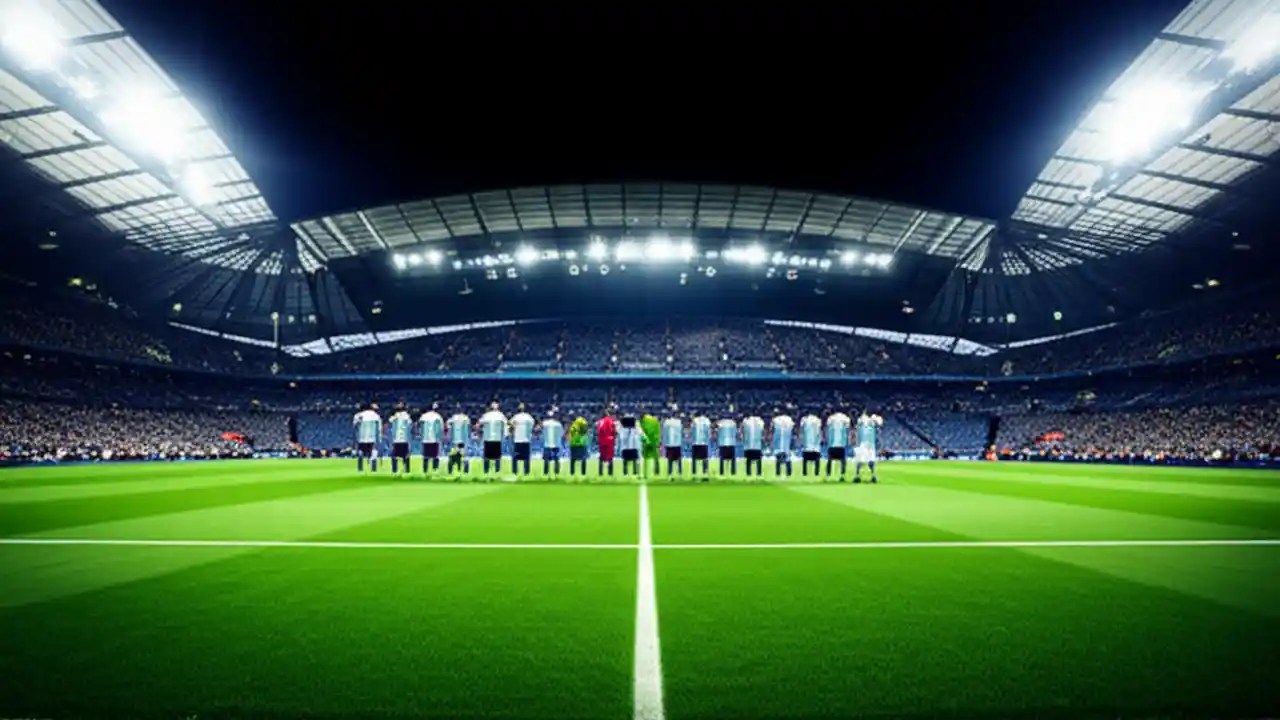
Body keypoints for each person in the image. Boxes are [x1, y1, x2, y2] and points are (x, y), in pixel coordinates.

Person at [479, 402, 508, 475]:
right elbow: (506, 425)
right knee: (497, 457)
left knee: (487, 457)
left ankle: (486, 472)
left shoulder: (486, 415)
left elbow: (480, 423)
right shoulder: (500, 415)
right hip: (497, 439)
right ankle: (497, 472)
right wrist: (505, 435)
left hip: (487, 438)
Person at [854, 412, 883, 483]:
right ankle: (857, 476)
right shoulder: (861, 420)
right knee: (860, 461)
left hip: (870, 443)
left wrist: (874, 419)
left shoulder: (873, 419)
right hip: (863, 443)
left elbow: (880, 423)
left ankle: (873, 476)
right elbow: (858, 426)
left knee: (871, 461)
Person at [353, 403, 381, 472]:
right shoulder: (375, 415)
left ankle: (360, 468)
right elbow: (379, 428)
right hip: (372, 437)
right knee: (373, 451)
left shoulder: (358, 415)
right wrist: (379, 438)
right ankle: (373, 467)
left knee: (361, 451)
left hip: (362, 437)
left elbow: (355, 426)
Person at [388, 403, 413, 474]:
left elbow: (390, 422)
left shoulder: (395, 416)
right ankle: (407, 470)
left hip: (396, 439)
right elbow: (410, 427)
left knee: (394, 456)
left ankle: (394, 470)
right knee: (405, 456)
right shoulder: (407, 416)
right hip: (404, 439)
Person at [419, 403, 444, 473]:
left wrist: (421, 436)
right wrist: (440, 437)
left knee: (426, 457)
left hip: (425, 439)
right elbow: (440, 428)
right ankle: (435, 470)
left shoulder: (423, 416)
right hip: (434, 439)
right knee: (435, 456)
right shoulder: (437, 416)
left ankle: (425, 471)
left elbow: (420, 427)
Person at [511, 404, 535, 476]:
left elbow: (511, 424)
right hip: (526, 440)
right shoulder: (529, 417)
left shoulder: (516, 417)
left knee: (515, 457)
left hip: (517, 439)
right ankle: (526, 472)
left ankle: (515, 472)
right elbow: (532, 426)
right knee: (526, 457)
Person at [826, 410, 851, 479]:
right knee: (843, 460)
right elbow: (847, 429)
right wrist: (847, 440)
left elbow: (828, 429)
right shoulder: (845, 418)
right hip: (841, 444)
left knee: (830, 460)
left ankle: (828, 474)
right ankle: (842, 474)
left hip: (832, 444)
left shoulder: (831, 418)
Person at [447, 406, 471, 474]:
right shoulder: (465, 418)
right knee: (463, 456)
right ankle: (464, 471)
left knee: (453, 456)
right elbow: (468, 427)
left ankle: (451, 471)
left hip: (455, 440)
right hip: (463, 440)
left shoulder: (453, 418)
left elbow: (448, 425)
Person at [771, 411, 794, 477]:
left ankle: (778, 473)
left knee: (778, 456)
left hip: (778, 440)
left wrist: (770, 438)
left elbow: (771, 428)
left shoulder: (775, 419)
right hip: (786, 440)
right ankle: (789, 473)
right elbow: (792, 428)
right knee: (787, 457)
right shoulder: (789, 419)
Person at [596, 408, 617, 476]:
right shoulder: (611, 421)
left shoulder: (600, 421)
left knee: (602, 457)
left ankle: (600, 472)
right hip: (609, 441)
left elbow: (599, 431)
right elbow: (614, 432)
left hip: (602, 441)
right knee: (610, 458)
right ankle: (610, 473)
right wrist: (614, 439)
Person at [641, 413, 661, 478]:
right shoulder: (655, 421)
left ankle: (645, 473)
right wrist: (658, 440)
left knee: (645, 458)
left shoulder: (643, 421)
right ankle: (657, 470)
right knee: (656, 457)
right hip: (654, 441)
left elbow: (643, 431)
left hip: (646, 441)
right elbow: (658, 431)